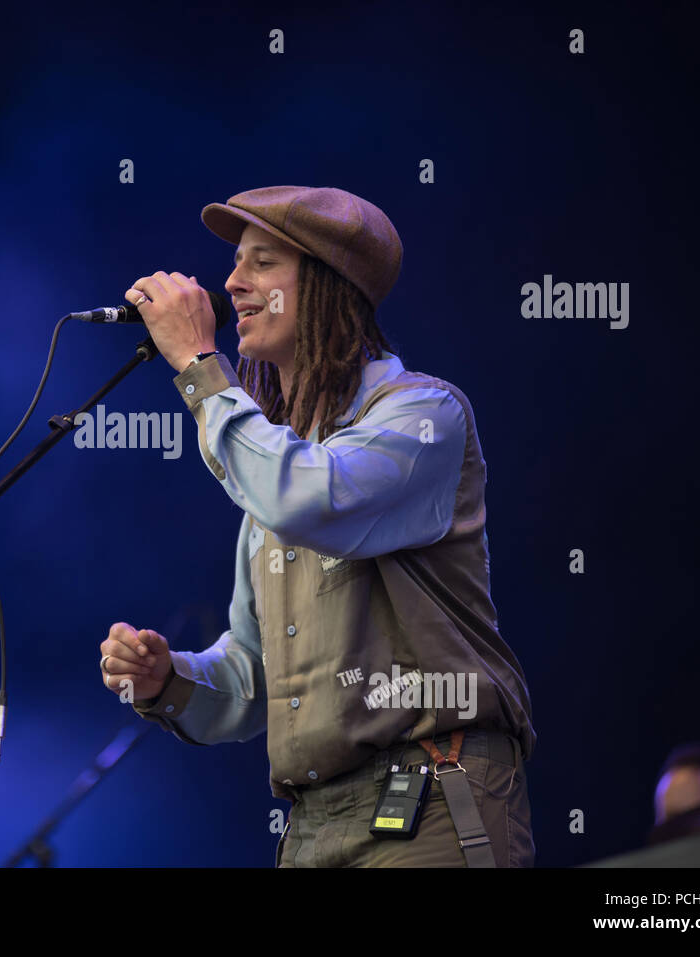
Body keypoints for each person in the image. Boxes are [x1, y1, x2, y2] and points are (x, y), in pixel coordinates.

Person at [98, 185, 537, 867]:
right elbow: (252, 676)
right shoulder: (276, 463)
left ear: (331, 282)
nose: (233, 282)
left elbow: (312, 499)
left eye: (263, 263)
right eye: (236, 263)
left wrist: (196, 365)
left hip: (428, 798)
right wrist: (170, 679)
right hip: (311, 824)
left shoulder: (422, 415)